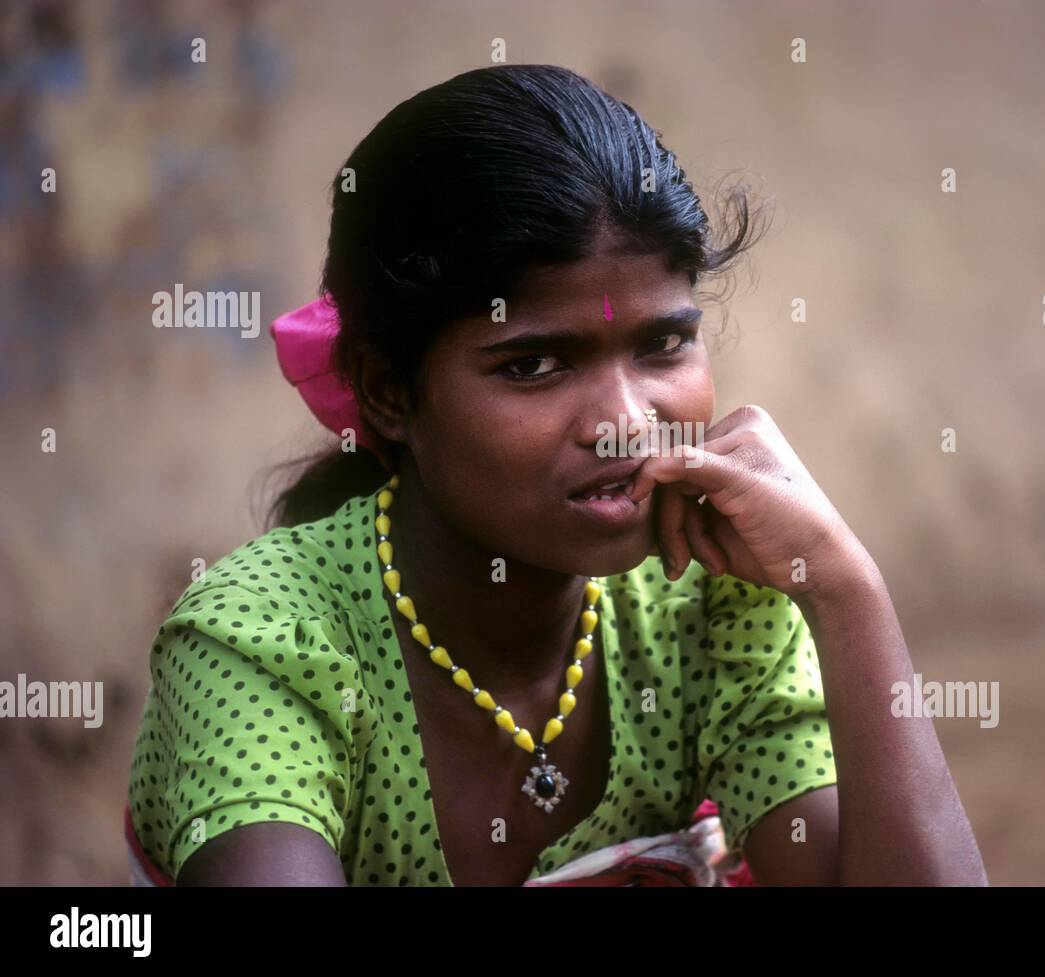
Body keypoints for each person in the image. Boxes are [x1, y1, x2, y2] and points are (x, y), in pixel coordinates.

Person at [125, 64, 986, 886]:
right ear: (389, 392)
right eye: (533, 364)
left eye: (663, 344)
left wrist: (844, 587)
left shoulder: (711, 600)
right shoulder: (263, 642)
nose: (623, 420)